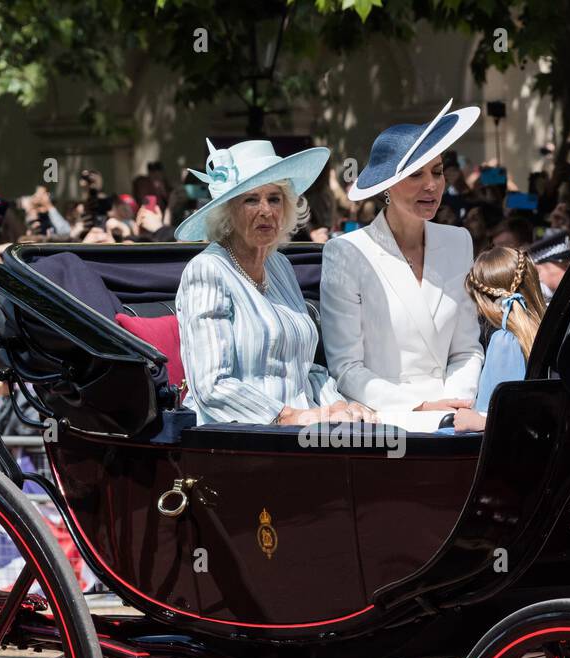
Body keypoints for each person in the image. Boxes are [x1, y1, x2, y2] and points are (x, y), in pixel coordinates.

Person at [174, 139, 374, 426]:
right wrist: (290, 416)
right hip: (239, 436)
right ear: (227, 211)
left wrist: (339, 405)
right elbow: (211, 386)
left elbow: (304, 369)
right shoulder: (208, 270)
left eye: (274, 198)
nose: (266, 210)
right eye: (251, 199)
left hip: (302, 430)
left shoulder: (279, 265)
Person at [320, 100, 486, 431]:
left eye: (437, 172)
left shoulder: (458, 241)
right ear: (386, 187)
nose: (431, 185)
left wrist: (452, 407)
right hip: (386, 424)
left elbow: (468, 349)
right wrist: (421, 407)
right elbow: (347, 367)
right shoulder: (346, 252)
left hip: (457, 419)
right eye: (415, 174)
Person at [453, 247, 546, 432]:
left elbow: (505, 422)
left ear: (488, 302)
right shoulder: (548, 332)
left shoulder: (505, 342)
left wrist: (475, 422)